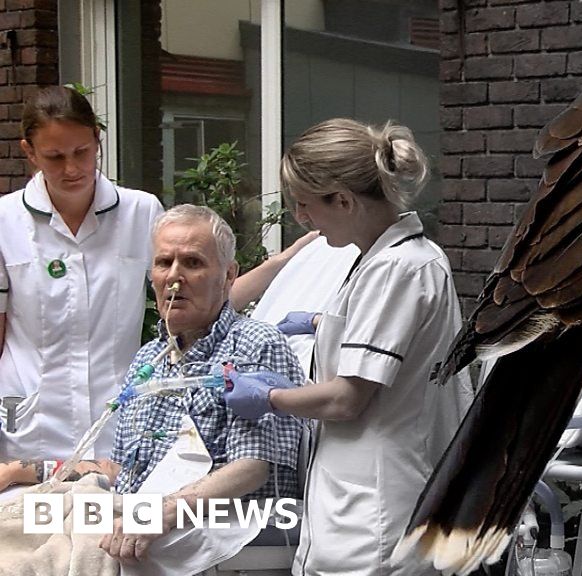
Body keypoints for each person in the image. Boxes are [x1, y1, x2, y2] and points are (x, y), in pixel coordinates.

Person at [223, 118, 470, 576]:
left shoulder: (400, 268)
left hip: (377, 510)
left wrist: (271, 397)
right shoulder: (381, 261)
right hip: (351, 504)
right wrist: (320, 324)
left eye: (304, 204)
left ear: (343, 200)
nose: (301, 218)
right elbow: (381, 336)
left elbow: (347, 399)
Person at [1, 205, 305, 573]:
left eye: (192, 263)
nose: (174, 277)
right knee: (18, 523)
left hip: (219, 519)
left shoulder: (256, 345)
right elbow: (122, 470)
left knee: (45, 562)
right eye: (164, 263)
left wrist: (158, 514)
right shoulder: (150, 359)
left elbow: (254, 468)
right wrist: (23, 471)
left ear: (228, 275)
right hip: (132, 508)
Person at [0, 85, 163, 461]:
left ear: (97, 140)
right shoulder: (5, 221)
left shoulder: (141, 213)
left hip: (117, 419)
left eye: (82, 152)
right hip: (30, 425)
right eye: (55, 157)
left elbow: (190, 302)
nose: (71, 169)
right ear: (29, 152)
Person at [231, 229, 361, 374]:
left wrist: (318, 321)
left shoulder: (366, 256)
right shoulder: (318, 251)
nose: (302, 217)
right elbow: (226, 298)